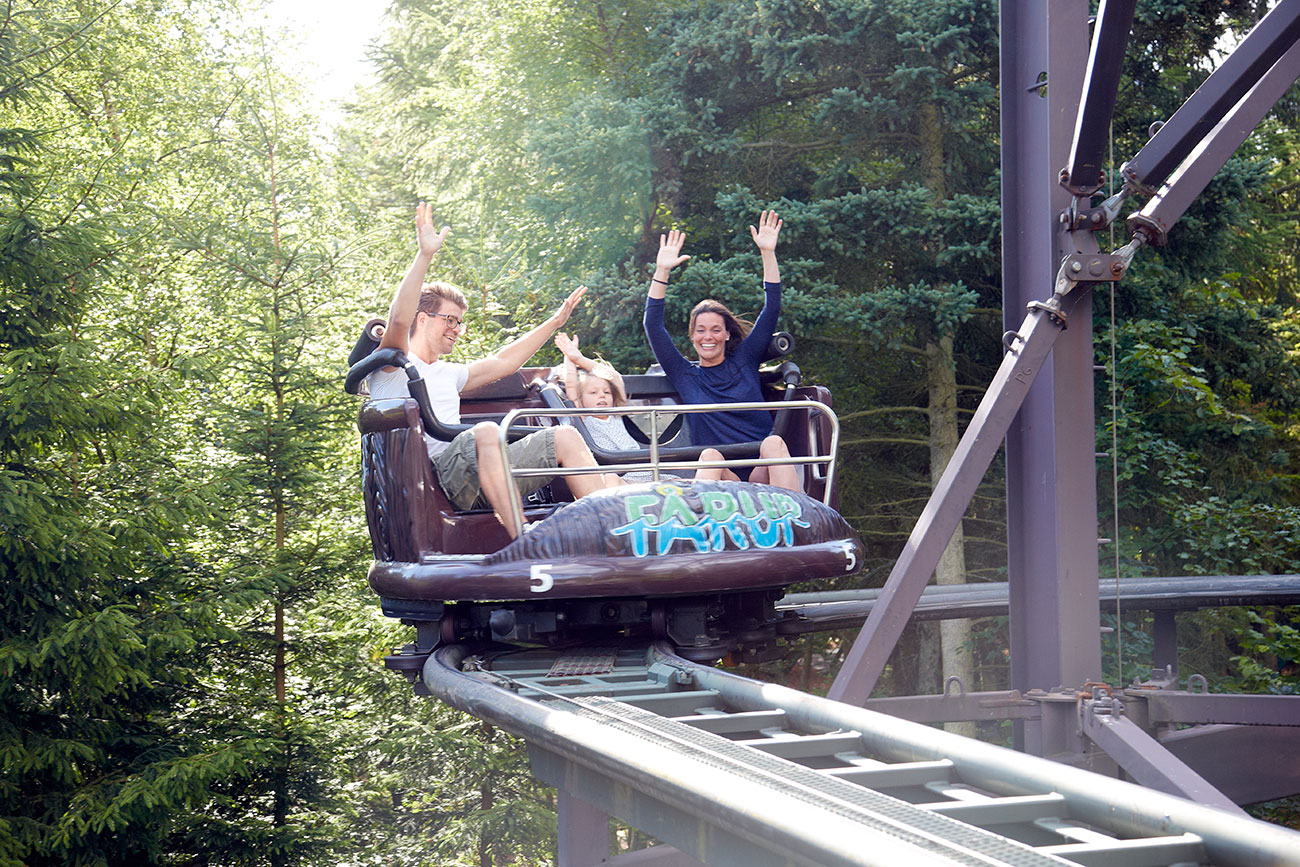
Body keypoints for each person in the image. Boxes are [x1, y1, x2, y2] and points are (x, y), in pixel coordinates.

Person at [367, 202, 620, 538]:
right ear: (424, 318)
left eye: (460, 322)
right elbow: (399, 318)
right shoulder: (393, 365)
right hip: (441, 473)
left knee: (566, 437)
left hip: (481, 468)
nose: (457, 328)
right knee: (486, 431)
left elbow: (505, 362)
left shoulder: (449, 373)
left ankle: (614, 532)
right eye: (450, 320)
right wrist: (425, 255)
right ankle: (524, 537)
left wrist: (555, 322)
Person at [642, 210, 801, 492]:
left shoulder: (745, 360)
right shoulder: (685, 374)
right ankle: (700, 526)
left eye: (716, 329)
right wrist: (662, 270)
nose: (708, 337)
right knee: (710, 456)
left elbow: (772, 307)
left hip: (760, 474)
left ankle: (799, 519)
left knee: (774, 443)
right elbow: (652, 324)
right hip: (725, 481)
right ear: (692, 337)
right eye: (700, 330)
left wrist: (767, 252)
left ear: (727, 334)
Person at [553, 332, 704, 483]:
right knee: (611, 481)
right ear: (581, 398)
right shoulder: (584, 418)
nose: (602, 396)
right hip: (622, 478)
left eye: (606, 392)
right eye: (593, 392)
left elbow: (614, 377)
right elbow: (571, 385)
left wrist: (580, 358)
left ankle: (705, 493)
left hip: (646, 472)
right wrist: (569, 357)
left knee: (695, 471)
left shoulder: (617, 414)